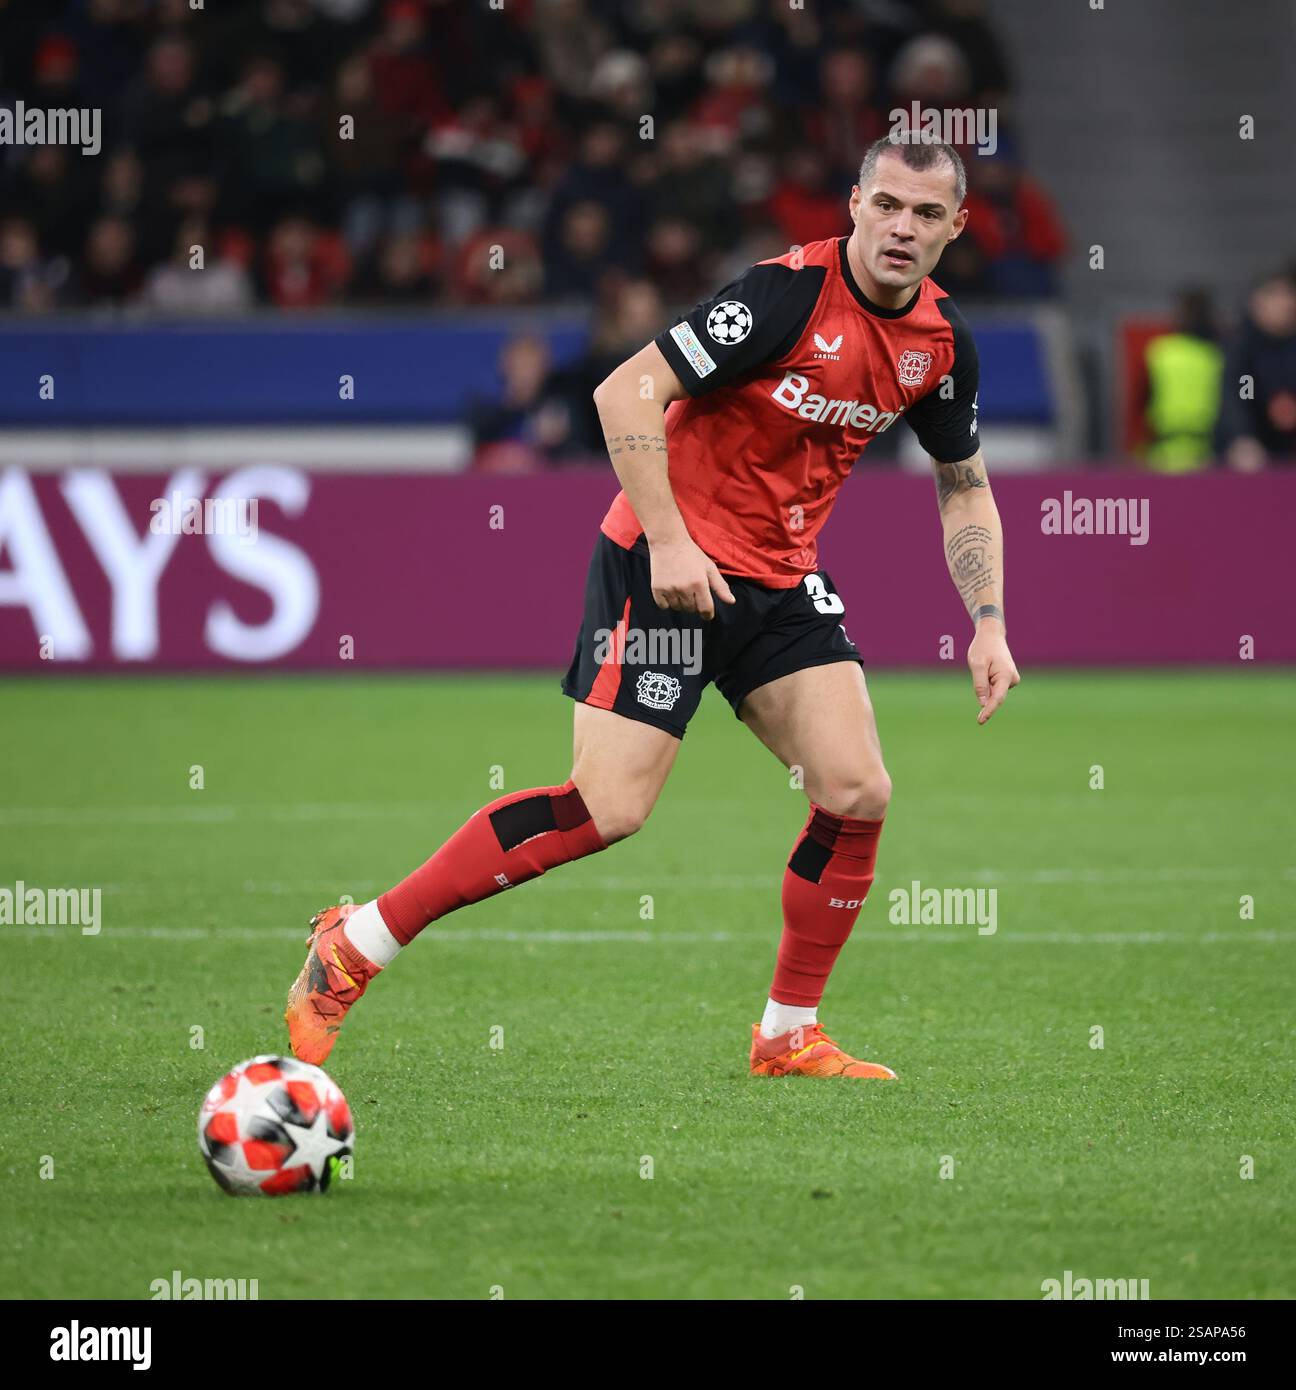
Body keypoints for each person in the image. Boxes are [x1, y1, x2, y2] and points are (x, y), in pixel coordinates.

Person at [286, 138, 1021, 1079]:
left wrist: (988, 619)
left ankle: (787, 1033)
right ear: (854, 204)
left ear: (957, 226)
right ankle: (356, 941)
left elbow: (963, 483)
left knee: (857, 789)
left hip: (780, 577)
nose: (901, 228)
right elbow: (625, 388)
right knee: (608, 807)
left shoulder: (944, 344)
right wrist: (672, 540)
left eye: (925, 214)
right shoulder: (784, 296)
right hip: (661, 561)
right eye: (886, 205)